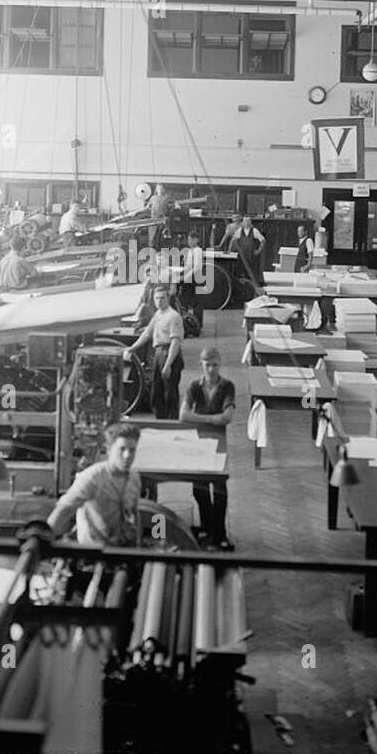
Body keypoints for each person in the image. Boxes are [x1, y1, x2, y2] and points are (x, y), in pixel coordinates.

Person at [45, 421, 143, 547]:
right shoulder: (92, 478)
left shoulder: (134, 478)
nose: (127, 456)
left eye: (132, 450)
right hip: (93, 553)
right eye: (122, 449)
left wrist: (139, 544)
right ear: (109, 450)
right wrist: (43, 541)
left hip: (123, 549)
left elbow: (135, 513)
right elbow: (64, 510)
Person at [179, 347, 237, 550]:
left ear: (219, 365)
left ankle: (219, 534)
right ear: (201, 364)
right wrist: (213, 419)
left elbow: (228, 417)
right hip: (199, 442)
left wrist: (201, 419)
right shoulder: (194, 386)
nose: (211, 369)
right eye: (207, 365)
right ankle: (208, 528)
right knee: (200, 490)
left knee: (220, 490)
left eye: (215, 365)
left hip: (219, 443)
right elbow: (183, 415)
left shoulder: (228, 386)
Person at [123, 284, 185, 420]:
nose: (159, 301)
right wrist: (132, 348)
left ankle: (172, 421)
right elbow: (147, 334)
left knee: (170, 392)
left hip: (169, 353)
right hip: (158, 353)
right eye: (156, 298)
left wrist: (168, 364)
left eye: (162, 298)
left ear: (168, 298)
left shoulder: (173, 317)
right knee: (156, 392)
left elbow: (175, 342)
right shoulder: (157, 315)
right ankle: (160, 419)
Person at [176, 229, 205, 333]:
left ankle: (198, 326)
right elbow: (188, 266)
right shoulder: (189, 251)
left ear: (196, 240)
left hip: (196, 278)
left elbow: (197, 267)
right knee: (184, 301)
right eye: (188, 240)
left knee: (197, 303)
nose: (190, 242)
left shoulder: (198, 251)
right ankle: (186, 323)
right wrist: (179, 272)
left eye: (192, 239)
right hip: (189, 279)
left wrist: (186, 276)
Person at [227, 214, 266, 290]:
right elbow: (233, 240)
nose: (246, 223)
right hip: (242, 255)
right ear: (243, 222)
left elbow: (263, 240)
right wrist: (229, 250)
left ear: (250, 222)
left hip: (251, 256)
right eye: (245, 221)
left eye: (248, 221)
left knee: (252, 273)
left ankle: (254, 289)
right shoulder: (239, 231)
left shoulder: (254, 231)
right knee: (241, 272)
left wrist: (258, 250)